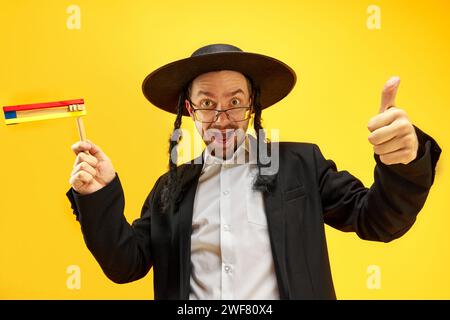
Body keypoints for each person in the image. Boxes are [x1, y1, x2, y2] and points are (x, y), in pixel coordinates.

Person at [66, 44, 442, 300]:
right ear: (189, 110)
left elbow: (377, 221)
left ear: (252, 106)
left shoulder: (301, 165)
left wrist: (401, 163)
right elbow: (125, 265)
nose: (222, 118)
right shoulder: (170, 188)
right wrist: (98, 195)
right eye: (207, 103)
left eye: (234, 102)